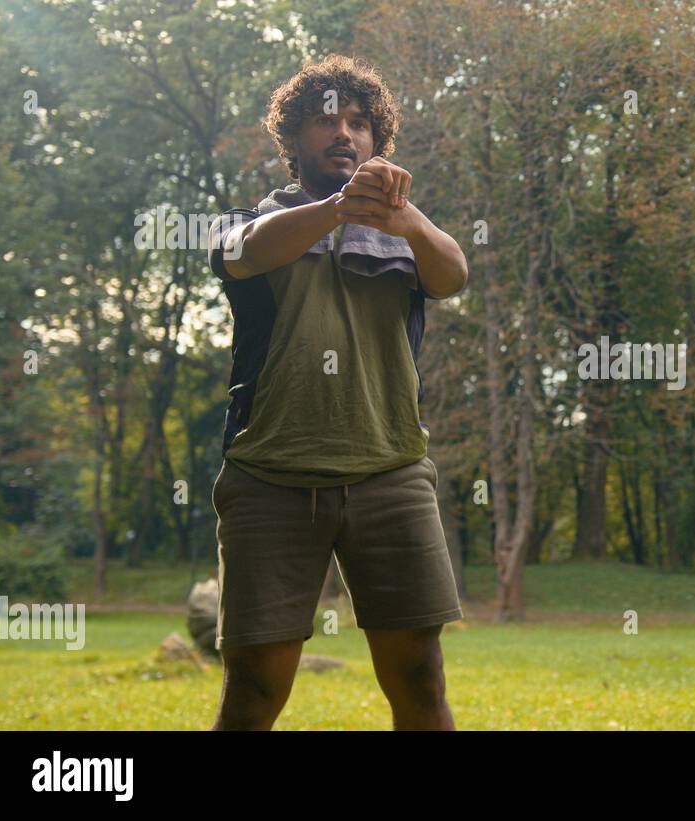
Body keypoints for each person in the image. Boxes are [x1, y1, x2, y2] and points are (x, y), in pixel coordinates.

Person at [205, 55, 468, 730]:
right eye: (325, 121)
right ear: (291, 140)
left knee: (420, 678)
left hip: (392, 472)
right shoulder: (253, 221)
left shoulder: (407, 232)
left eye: (358, 122)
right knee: (255, 689)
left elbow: (453, 275)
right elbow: (246, 252)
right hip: (271, 477)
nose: (343, 133)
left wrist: (405, 221)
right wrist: (336, 209)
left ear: (378, 142)